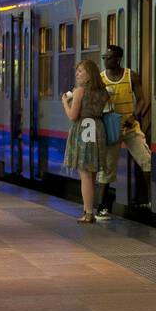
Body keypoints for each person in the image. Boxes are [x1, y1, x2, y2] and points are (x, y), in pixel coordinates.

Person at [96, 44, 153, 219]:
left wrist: (134, 116)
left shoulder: (131, 76)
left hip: (130, 127)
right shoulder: (101, 79)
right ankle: (102, 207)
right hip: (111, 128)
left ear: (118, 59)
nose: (106, 60)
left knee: (146, 160)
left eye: (109, 57)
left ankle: (151, 200)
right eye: (105, 57)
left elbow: (143, 100)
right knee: (108, 168)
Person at [62, 59, 108, 223]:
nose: (77, 74)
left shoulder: (80, 92)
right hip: (97, 130)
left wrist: (65, 103)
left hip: (83, 131)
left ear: (89, 74)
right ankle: (90, 210)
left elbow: (73, 116)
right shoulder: (103, 92)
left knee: (85, 175)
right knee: (93, 174)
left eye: (80, 71)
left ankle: (88, 213)